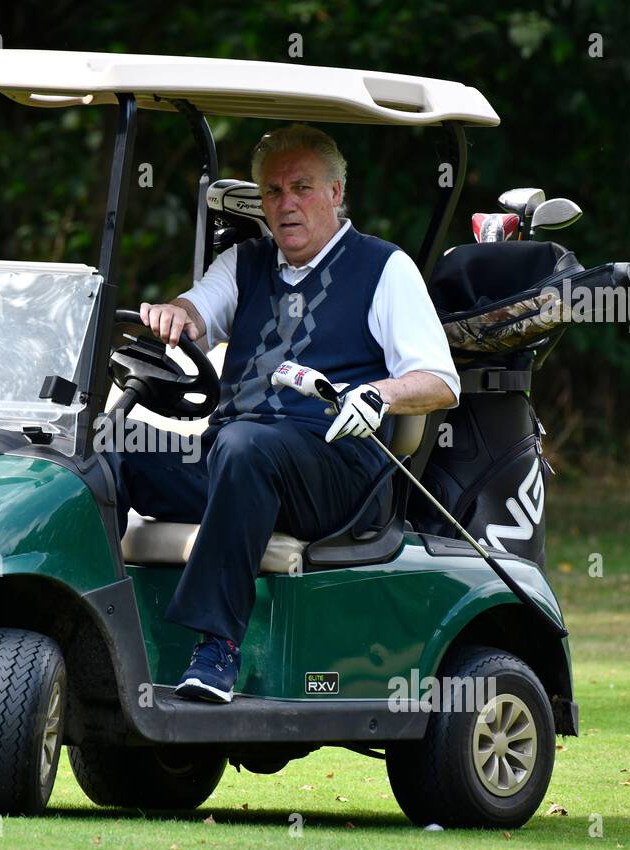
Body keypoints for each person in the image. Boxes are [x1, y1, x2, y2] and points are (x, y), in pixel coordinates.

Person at [110, 123, 459, 703]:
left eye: (301, 187)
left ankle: (218, 646)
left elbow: (440, 381)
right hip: (234, 459)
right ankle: (95, 617)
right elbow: (197, 309)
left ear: (336, 193)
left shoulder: (383, 268)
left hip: (334, 469)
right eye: (273, 191)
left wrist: (380, 395)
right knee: (114, 447)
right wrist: (174, 316)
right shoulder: (245, 264)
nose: (287, 203)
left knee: (247, 446)